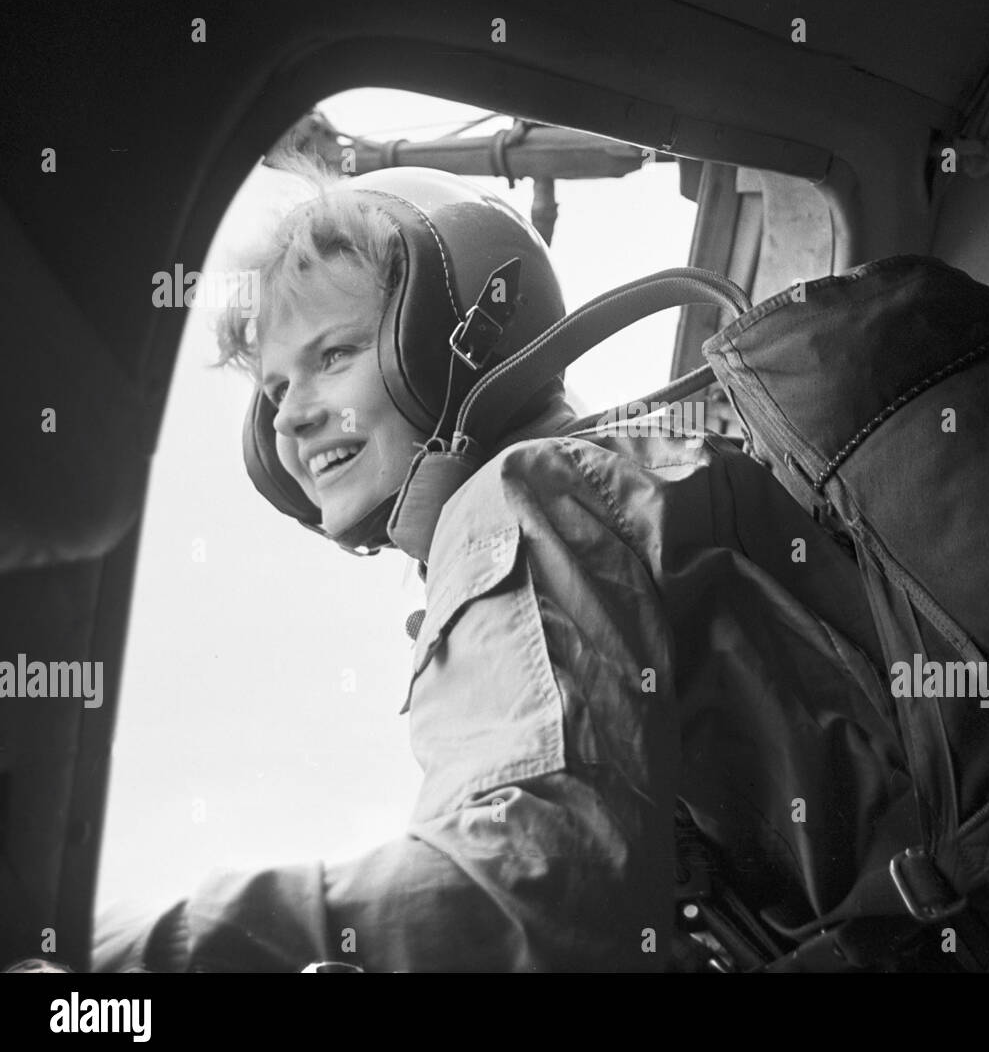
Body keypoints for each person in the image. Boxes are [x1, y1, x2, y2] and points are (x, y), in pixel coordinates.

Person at [92, 157, 910, 973]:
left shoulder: (524, 501)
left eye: (334, 355)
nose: (294, 414)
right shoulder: (629, 472)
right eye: (274, 390)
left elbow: (542, 884)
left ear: (451, 342)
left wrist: (139, 954)